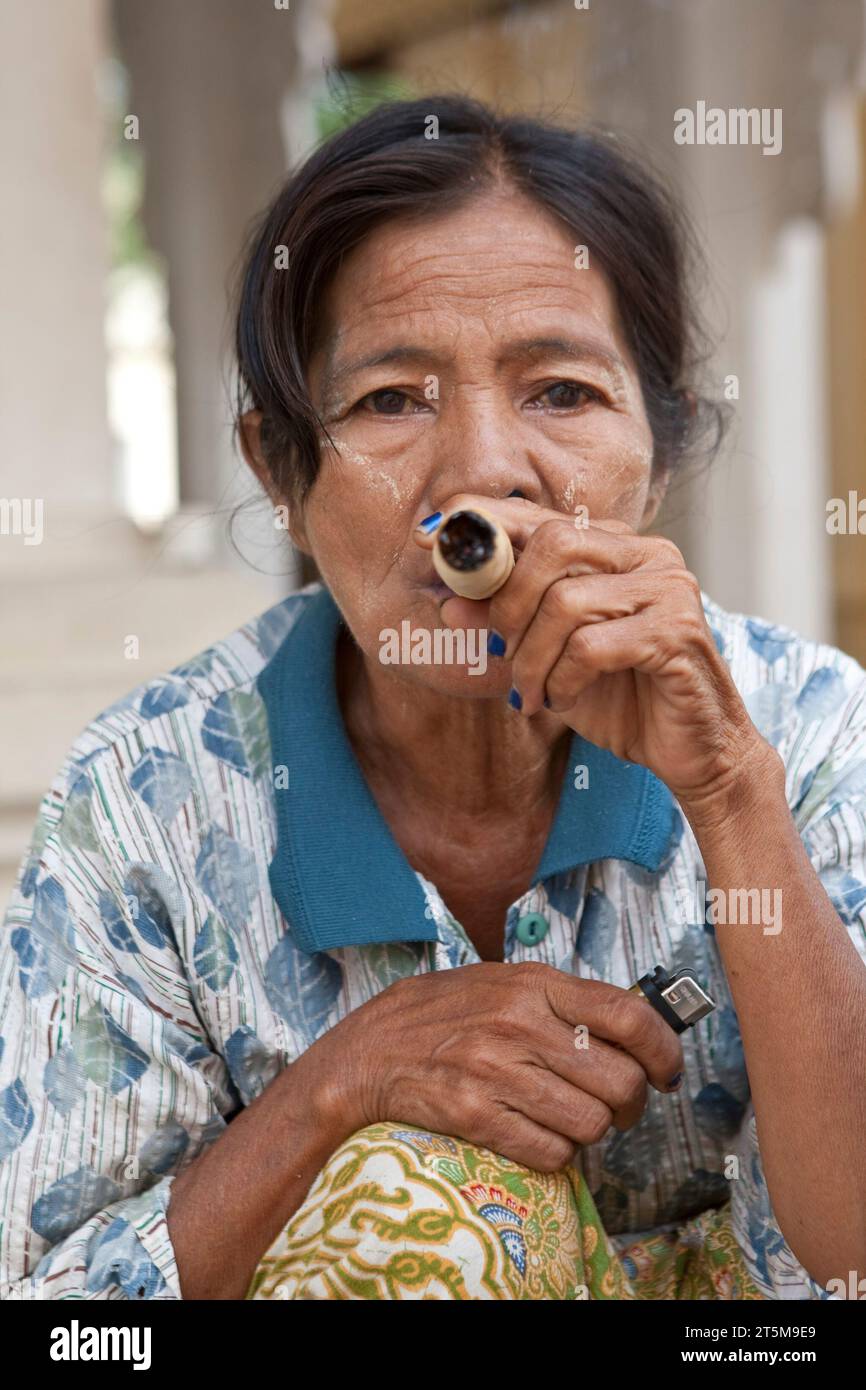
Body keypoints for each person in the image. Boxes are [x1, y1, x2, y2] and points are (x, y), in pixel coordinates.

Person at [2, 95, 864, 1302]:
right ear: (281, 473)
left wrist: (728, 794)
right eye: (390, 402)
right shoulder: (151, 804)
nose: (478, 478)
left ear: (657, 457)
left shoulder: (813, 732)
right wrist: (337, 1092)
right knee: (416, 1198)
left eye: (559, 391)